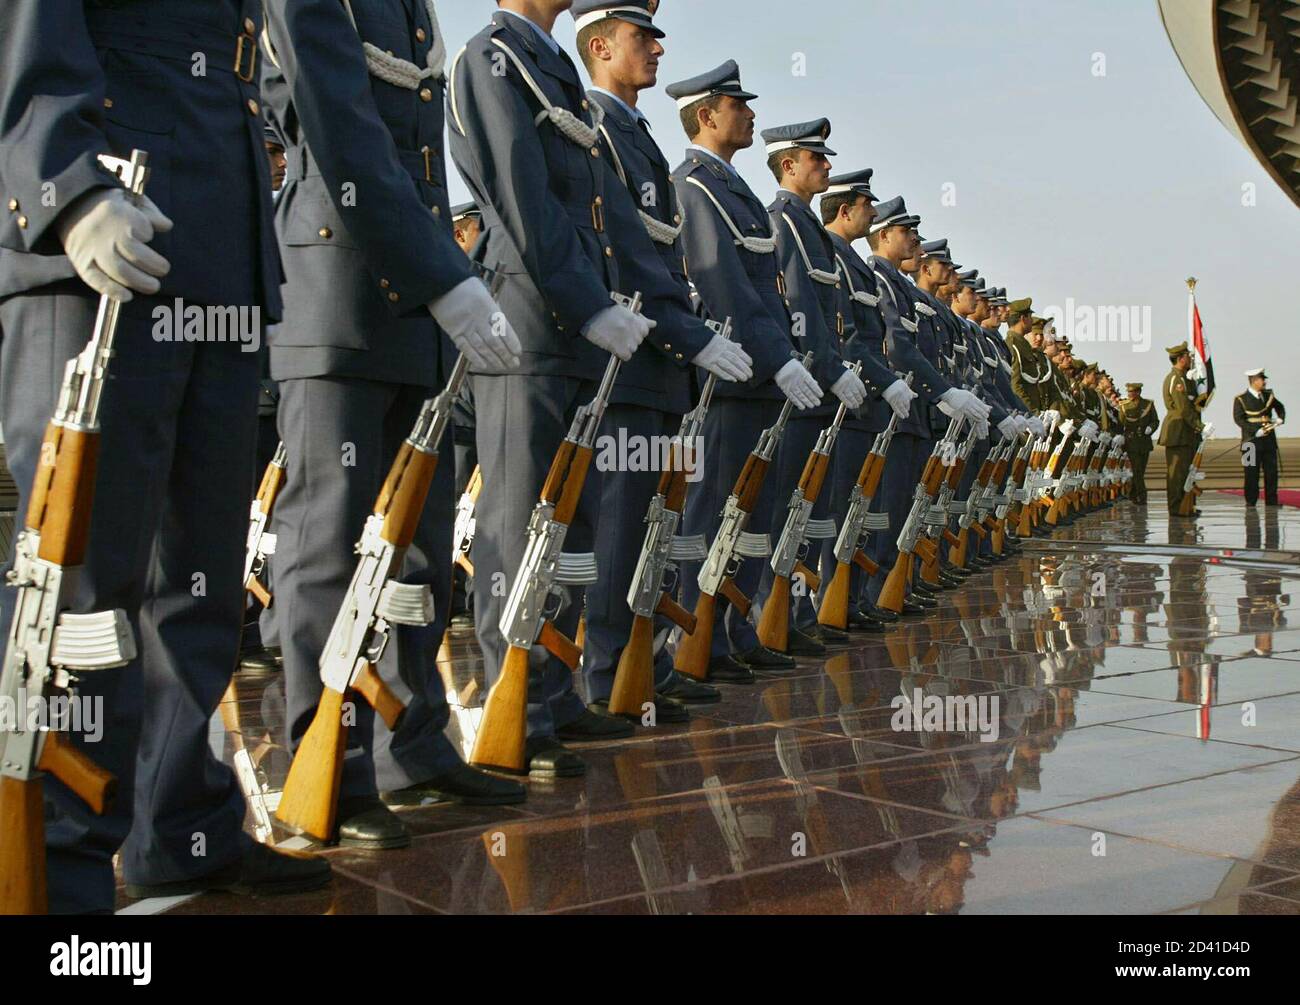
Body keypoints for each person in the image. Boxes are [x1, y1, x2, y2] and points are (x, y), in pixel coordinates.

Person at [0, 0, 330, 911]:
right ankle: (55, 877)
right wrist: (66, 185)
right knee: (77, 595)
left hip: (216, 247)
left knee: (199, 583)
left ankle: (182, 827)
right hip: (106, 228)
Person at [263, 0, 526, 851]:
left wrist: (437, 280)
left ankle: (409, 742)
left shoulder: (409, 11)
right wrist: (442, 273)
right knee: (328, 543)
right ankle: (326, 763)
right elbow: (341, 130)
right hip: (336, 287)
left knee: (415, 547)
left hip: (410, 300)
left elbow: (418, 165)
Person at [449, 1, 732, 776]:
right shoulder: (493, 57)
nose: (657, 44)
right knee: (517, 528)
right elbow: (525, 202)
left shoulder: (554, 72)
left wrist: (642, 313)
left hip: (574, 332)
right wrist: (591, 302)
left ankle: (555, 689)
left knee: (563, 536)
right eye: (643, 33)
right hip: (530, 328)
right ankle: (518, 706)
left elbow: (605, 225)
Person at [571, 0, 752, 722]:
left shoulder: (632, 132)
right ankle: (607, 669)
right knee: (615, 528)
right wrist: (685, 332)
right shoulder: (593, 125)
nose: (655, 49)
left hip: (655, 357)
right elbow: (627, 252)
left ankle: (638, 659)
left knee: (645, 523)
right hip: (623, 353)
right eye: (642, 36)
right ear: (601, 47)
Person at [667, 60, 823, 682]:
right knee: (710, 516)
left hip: (758, 374)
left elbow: (770, 294)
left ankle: (731, 630)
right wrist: (781, 358)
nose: (751, 116)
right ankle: (696, 637)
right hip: (728, 378)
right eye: (739, 105)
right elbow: (724, 285)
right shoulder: (696, 187)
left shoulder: (735, 192)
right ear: (708, 115)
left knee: (751, 516)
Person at [760, 118, 867, 654]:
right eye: (817, 158)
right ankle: (773, 617)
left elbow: (827, 313)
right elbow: (798, 309)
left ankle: (795, 614)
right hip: (799, 387)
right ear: (789, 165)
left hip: (819, 385)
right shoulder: (785, 220)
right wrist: (825, 367)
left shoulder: (807, 226)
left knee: (807, 512)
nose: (826, 165)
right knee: (787, 508)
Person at [820, 169, 916, 628]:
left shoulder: (852, 261)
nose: (873, 213)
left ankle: (852, 598)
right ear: (845, 210)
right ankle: (827, 602)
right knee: (838, 509)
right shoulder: (832, 255)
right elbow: (848, 337)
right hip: (847, 397)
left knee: (859, 508)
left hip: (866, 399)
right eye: (866, 206)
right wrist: (885, 379)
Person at [1158, 341, 1203, 516]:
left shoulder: (1184, 378)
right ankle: (1176, 507)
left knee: (1186, 471)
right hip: (1177, 431)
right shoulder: (1176, 379)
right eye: (1188, 357)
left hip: (1185, 431)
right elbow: (1183, 407)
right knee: (1176, 473)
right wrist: (1199, 425)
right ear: (1180, 358)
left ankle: (1187, 505)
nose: (1190, 359)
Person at [1234, 368, 1286, 507]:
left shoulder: (1268, 395)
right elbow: (1239, 419)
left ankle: (1272, 501)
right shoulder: (1241, 399)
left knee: (1271, 473)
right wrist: (1255, 431)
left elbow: (1280, 407)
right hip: (1249, 442)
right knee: (1251, 474)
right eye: (1262, 379)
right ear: (1254, 381)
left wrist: (1280, 418)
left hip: (1269, 440)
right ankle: (1251, 502)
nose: (1264, 382)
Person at [1118, 382, 1158, 505]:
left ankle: (1133, 493)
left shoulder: (1148, 404)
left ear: (1138, 392)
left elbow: (1155, 420)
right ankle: (1142, 495)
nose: (1130, 394)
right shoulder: (1124, 405)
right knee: (1137, 469)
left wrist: (1151, 428)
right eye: (1129, 392)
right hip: (1132, 441)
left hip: (1144, 441)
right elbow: (1121, 423)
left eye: (1133, 392)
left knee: (1141, 469)